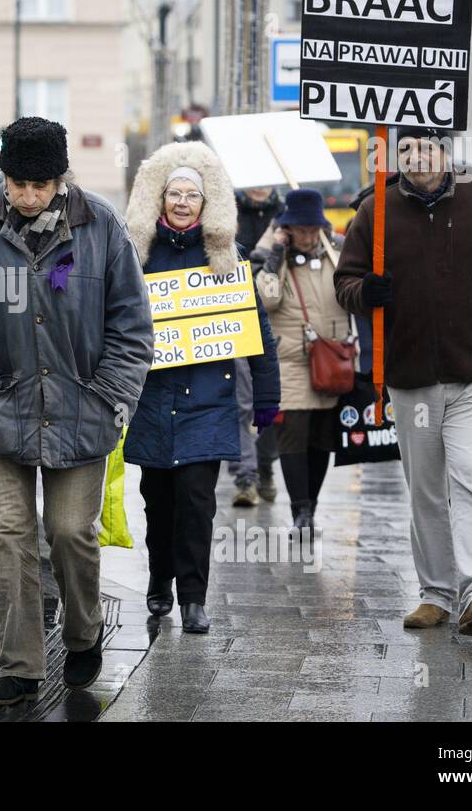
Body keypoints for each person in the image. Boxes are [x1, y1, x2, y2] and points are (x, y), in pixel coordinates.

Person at [0, 117, 154, 707]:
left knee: (70, 532)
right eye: (16, 184)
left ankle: (82, 635)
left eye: (40, 185)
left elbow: (132, 323)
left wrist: (108, 395)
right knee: (8, 535)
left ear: (61, 179)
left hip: (82, 411)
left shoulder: (101, 226)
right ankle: (21, 664)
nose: (27, 196)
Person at [334, 127, 472, 638]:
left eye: (428, 146)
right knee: (427, 490)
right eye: (406, 148)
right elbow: (344, 283)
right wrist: (365, 290)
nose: (419, 157)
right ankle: (436, 593)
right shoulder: (377, 211)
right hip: (411, 379)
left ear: (447, 152)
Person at [123, 143, 280, 633]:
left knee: (197, 502)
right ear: (160, 199)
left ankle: (193, 598)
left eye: (193, 194)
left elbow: (258, 330)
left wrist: (269, 397)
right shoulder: (136, 259)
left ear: (207, 202)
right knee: (158, 499)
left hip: (208, 401)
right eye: (175, 193)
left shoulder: (227, 260)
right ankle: (158, 581)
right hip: (151, 400)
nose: (183, 202)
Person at [256, 188, 353, 531]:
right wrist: (276, 255)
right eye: (302, 230)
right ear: (287, 229)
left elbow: (351, 294)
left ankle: (310, 505)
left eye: (314, 229)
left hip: (330, 363)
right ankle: (301, 512)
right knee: (292, 437)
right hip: (291, 364)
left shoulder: (336, 255)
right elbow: (266, 300)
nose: (309, 236)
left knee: (322, 440)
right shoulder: (276, 259)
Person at [230, 185, 285, 506]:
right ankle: (246, 476)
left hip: (272, 316)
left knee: (271, 400)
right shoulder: (228, 211)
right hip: (235, 312)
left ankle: (264, 466)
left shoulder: (285, 213)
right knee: (240, 400)